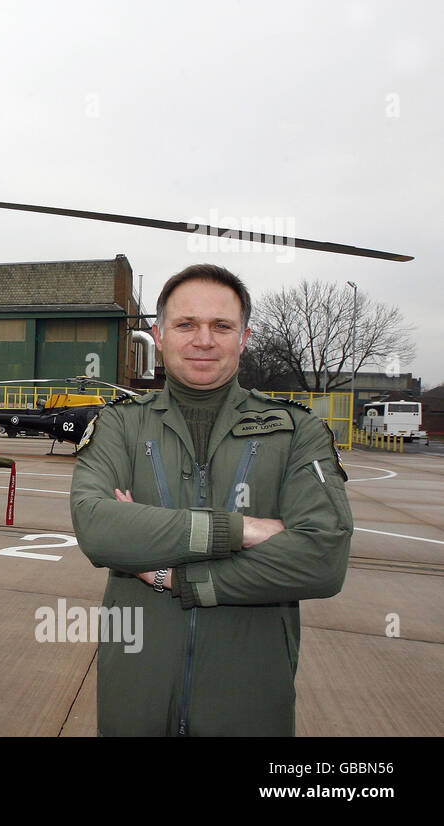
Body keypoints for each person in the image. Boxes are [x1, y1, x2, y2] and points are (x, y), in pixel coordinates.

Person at [69, 264, 353, 736]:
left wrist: (181, 578)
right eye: (186, 325)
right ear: (158, 336)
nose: (204, 340)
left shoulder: (296, 430)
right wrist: (244, 530)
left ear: (243, 338)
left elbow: (322, 558)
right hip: (133, 697)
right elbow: (98, 529)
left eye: (221, 326)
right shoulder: (120, 425)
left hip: (249, 703)